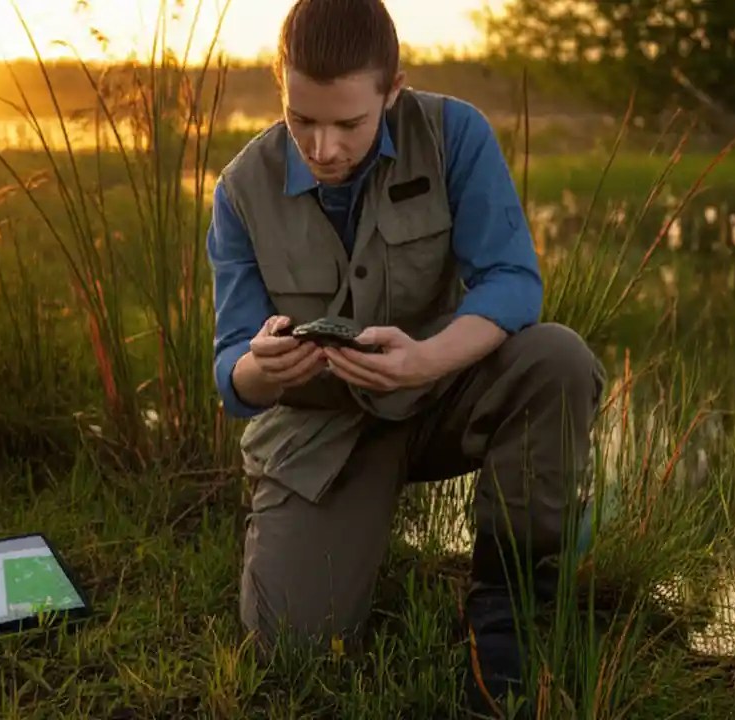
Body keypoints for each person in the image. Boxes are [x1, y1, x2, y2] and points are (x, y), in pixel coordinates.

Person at [205, 0, 606, 711]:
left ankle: (507, 610)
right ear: (282, 88)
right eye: (302, 120)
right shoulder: (239, 190)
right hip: (321, 434)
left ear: (393, 90)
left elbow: (513, 282)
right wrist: (261, 369)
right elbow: (231, 364)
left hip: (441, 394)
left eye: (349, 124)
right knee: (293, 645)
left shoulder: (457, 135)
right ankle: (333, 533)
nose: (323, 148)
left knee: (558, 360)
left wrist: (426, 360)